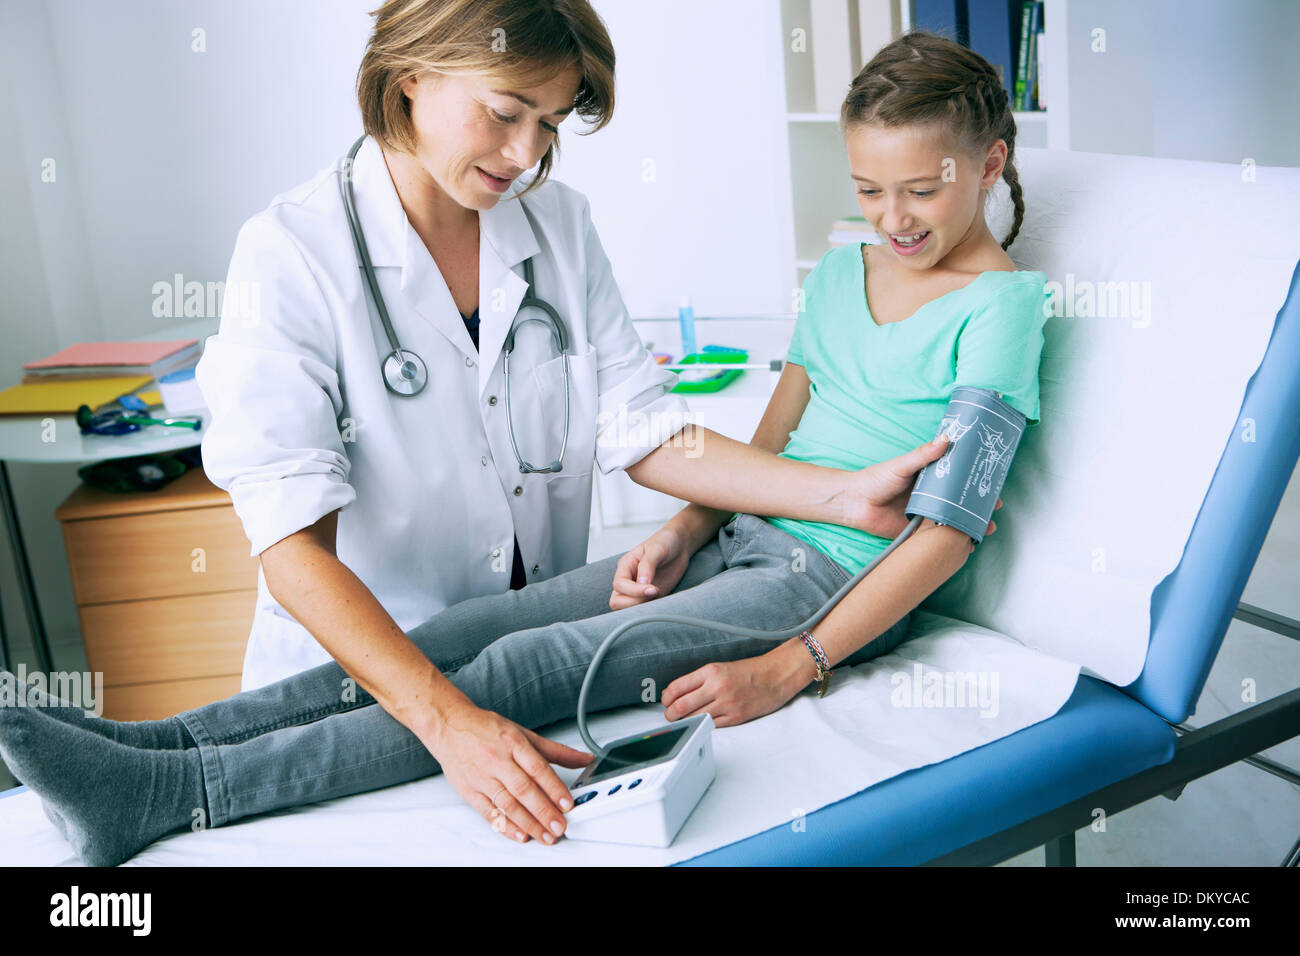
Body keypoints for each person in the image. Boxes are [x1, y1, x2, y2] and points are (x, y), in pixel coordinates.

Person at [0, 30, 1045, 867]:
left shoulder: (556, 221)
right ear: (409, 76)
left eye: (548, 125)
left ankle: (166, 781)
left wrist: (791, 616)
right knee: (456, 637)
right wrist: (453, 723)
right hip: (366, 622)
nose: (527, 156)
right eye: (506, 114)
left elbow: (647, 426)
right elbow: (289, 543)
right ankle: (143, 754)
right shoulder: (292, 252)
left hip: (813, 567)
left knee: (509, 659)